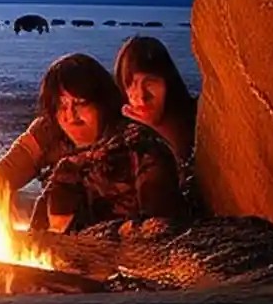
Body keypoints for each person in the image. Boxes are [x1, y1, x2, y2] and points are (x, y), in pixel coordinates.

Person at [24, 53, 186, 233]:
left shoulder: (142, 150)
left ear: (102, 103)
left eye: (80, 103)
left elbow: (160, 228)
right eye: (62, 106)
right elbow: (37, 239)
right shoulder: (67, 167)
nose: (70, 116)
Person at [113, 35, 201, 212]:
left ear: (169, 83)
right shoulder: (118, 138)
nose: (141, 95)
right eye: (131, 84)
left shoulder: (200, 120)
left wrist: (158, 132)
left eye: (150, 82)